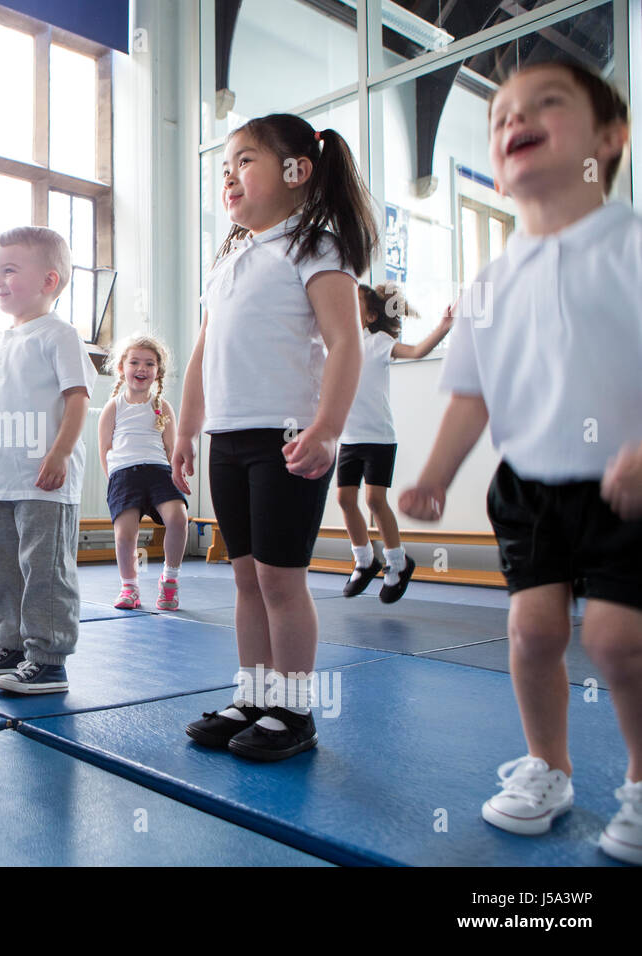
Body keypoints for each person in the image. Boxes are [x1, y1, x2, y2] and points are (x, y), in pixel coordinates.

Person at [400, 60, 640, 864]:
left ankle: (641, 780)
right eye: (500, 114)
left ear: (610, 138)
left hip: (623, 482)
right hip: (529, 486)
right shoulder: (493, 282)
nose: (515, 119)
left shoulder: (631, 244)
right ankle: (548, 766)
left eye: (546, 104)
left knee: (616, 641)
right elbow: (471, 395)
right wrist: (434, 473)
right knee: (531, 632)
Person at [173, 114, 376, 760]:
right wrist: (185, 429)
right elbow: (204, 351)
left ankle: (292, 711)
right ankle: (255, 695)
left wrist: (328, 429)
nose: (229, 176)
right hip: (228, 441)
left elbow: (347, 343)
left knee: (281, 582)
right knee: (244, 581)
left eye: (245, 161)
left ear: (297, 171)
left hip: (286, 437)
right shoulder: (230, 254)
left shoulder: (315, 245)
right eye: (225, 166)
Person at [0, 227, 96, 695]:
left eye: (10, 271)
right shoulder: (2, 343)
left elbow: (77, 399)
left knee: (45, 569)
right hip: (4, 479)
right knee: (6, 567)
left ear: (49, 281)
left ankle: (48, 657)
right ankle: (12, 644)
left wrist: (60, 452)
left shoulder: (60, 336)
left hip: (45, 480)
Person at [338, 283, 452, 602]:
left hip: (378, 438)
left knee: (375, 500)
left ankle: (398, 564)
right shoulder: (337, 343)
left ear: (372, 314)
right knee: (345, 500)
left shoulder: (378, 342)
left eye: (355, 301)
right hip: (348, 438)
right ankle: (364, 561)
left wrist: (443, 326)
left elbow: (416, 352)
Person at [97, 333, 188, 611]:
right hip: (125, 475)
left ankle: (169, 580)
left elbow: (171, 446)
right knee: (125, 535)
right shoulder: (114, 406)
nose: (141, 369)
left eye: (149, 364)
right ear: (122, 368)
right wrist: (113, 481)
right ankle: (129, 586)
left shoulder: (162, 406)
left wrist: (178, 472)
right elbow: (105, 449)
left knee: (178, 519)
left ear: (157, 371)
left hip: (160, 471)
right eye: (134, 362)